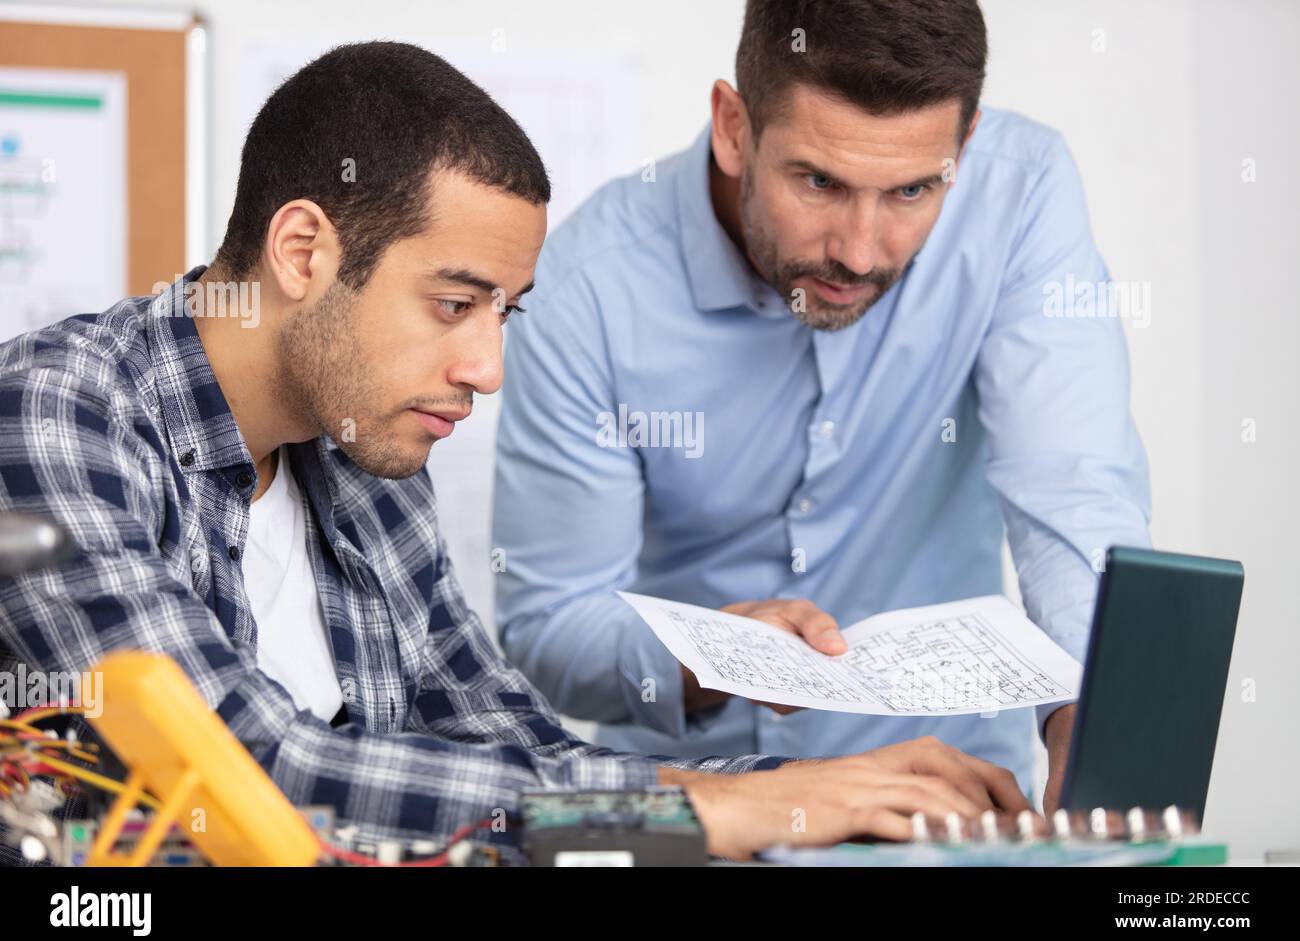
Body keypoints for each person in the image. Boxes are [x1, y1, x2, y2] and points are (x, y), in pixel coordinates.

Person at [0, 41, 1027, 865]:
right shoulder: (55, 414)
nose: (486, 368)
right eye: (453, 304)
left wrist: (812, 792)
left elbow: (509, 744)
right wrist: (718, 808)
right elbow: (241, 766)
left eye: (504, 312)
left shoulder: (362, 448)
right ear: (304, 251)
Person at [493, 0, 1152, 813]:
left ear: (966, 146)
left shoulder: (1020, 195)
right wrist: (708, 656)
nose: (859, 250)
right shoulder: (587, 285)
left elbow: (1071, 487)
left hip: (954, 809)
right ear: (734, 127)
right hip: (703, 818)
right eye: (819, 182)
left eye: (912, 189)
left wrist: (1096, 720)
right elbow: (550, 626)